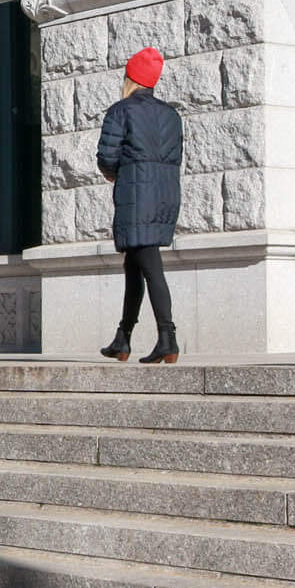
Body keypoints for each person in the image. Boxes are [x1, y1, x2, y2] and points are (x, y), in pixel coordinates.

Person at [95, 46, 183, 363]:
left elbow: (107, 155)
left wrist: (112, 173)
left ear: (131, 78)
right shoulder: (171, 115)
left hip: (136, 197)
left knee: (151, 267)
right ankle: (123, 338)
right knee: (135, 266)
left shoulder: (122, 110)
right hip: (165, 196)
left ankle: (168, 338)